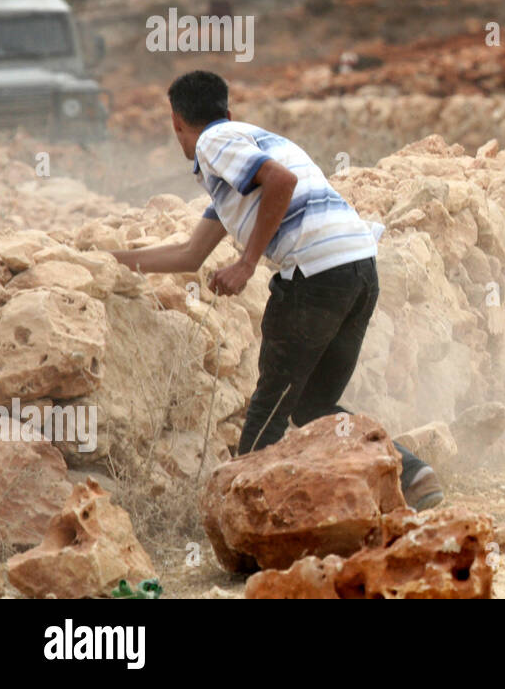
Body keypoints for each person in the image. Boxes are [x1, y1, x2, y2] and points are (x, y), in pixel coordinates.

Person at [107, 70, 444, 510]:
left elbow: (280, 182)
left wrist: (247, 263)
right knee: (311, 405)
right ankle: (413, 474)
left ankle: (242, 517)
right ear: (228, 110)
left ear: (176, 122)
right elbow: (190, 255)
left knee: (269, 408)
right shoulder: (241, 162)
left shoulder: (213, 140)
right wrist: (107, 262)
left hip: (316, 274)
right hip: (358, 268)